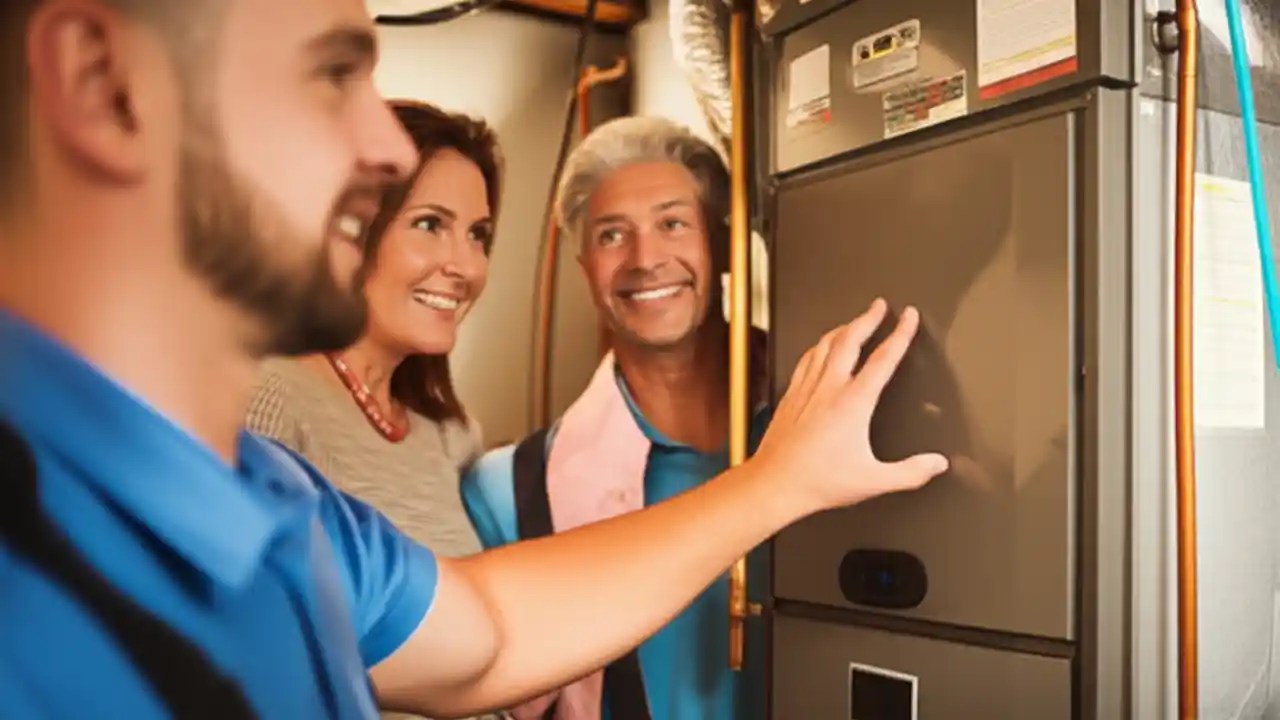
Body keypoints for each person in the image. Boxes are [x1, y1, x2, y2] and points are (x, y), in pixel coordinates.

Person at [0, 0, 949, 718]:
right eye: (330, 77)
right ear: (103, 84)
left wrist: (783, 479)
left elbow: (489, 636)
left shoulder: (285, 505)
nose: (379, 145)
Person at [462, 116, 771, 720]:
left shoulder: (819, 430)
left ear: (725, 247)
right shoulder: (507, 492)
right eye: (611, 236)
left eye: (672, 223)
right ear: (586, 270)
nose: (645, 258)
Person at [243, 99, 500, 720]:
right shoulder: (269, 398)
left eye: (478, 235)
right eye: (430, 224)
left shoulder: (451, 435)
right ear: (352, 227)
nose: (464, 265)